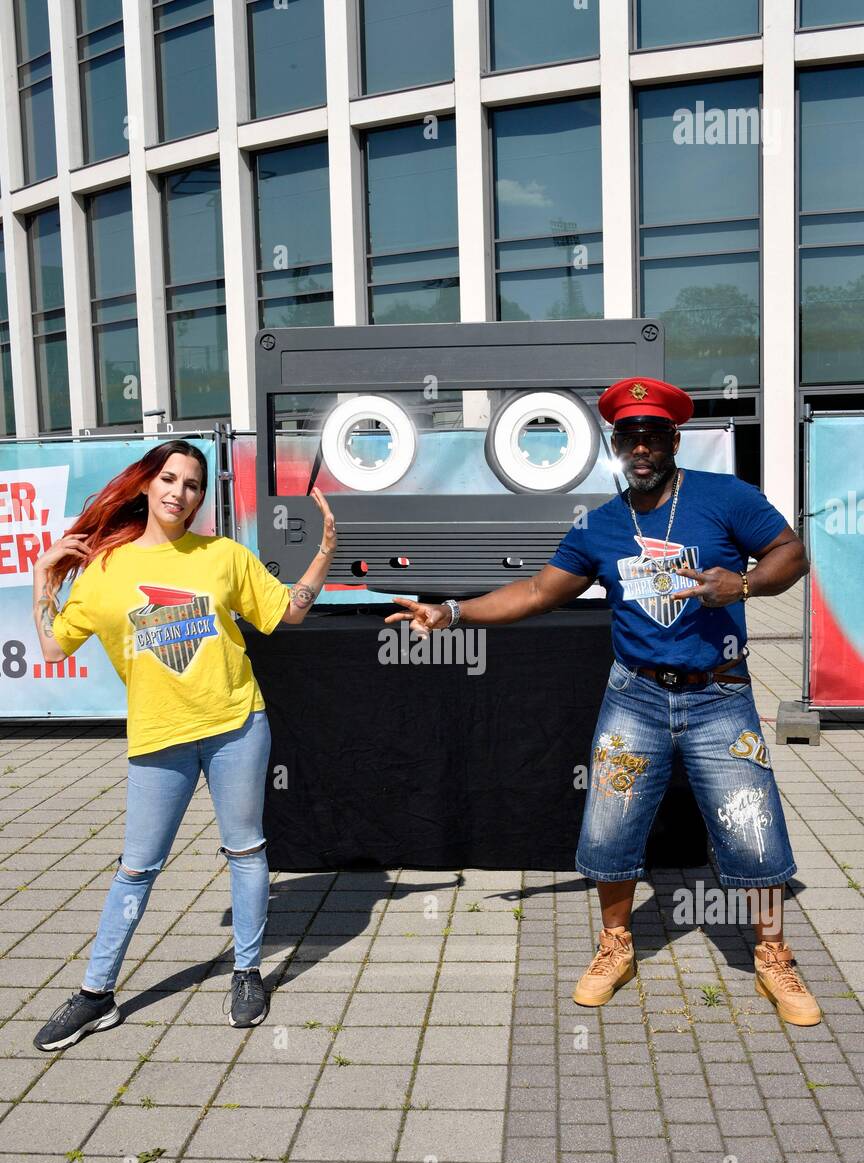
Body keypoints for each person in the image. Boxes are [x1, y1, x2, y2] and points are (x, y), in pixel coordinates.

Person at [386, 377, 819, 1027]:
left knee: (750, 825)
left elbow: (793, 553)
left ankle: (773, 956)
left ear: (673, 440)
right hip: (635, 697)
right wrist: (452, 611)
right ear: (616, 446)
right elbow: (536, 593)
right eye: (629, 437)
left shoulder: (725, 497)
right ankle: (616, 945)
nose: (640, 447)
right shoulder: (601, 523)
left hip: (720, 697)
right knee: (612, 825)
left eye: (652, 435)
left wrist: (747, 583)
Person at [30, 439, 336, 1050]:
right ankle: (97, 993)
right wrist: (43, 576)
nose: (179, 492)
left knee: (246, 852)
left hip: (236, 725)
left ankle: (247, 972)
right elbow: (53, 648)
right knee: (136, 868)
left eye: (193, 484)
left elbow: (288, 613)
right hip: (159, 737)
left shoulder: (222, 556)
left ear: (201, 496)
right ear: (146, 486)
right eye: (169, 479)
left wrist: (325, 550)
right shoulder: (105, 571)